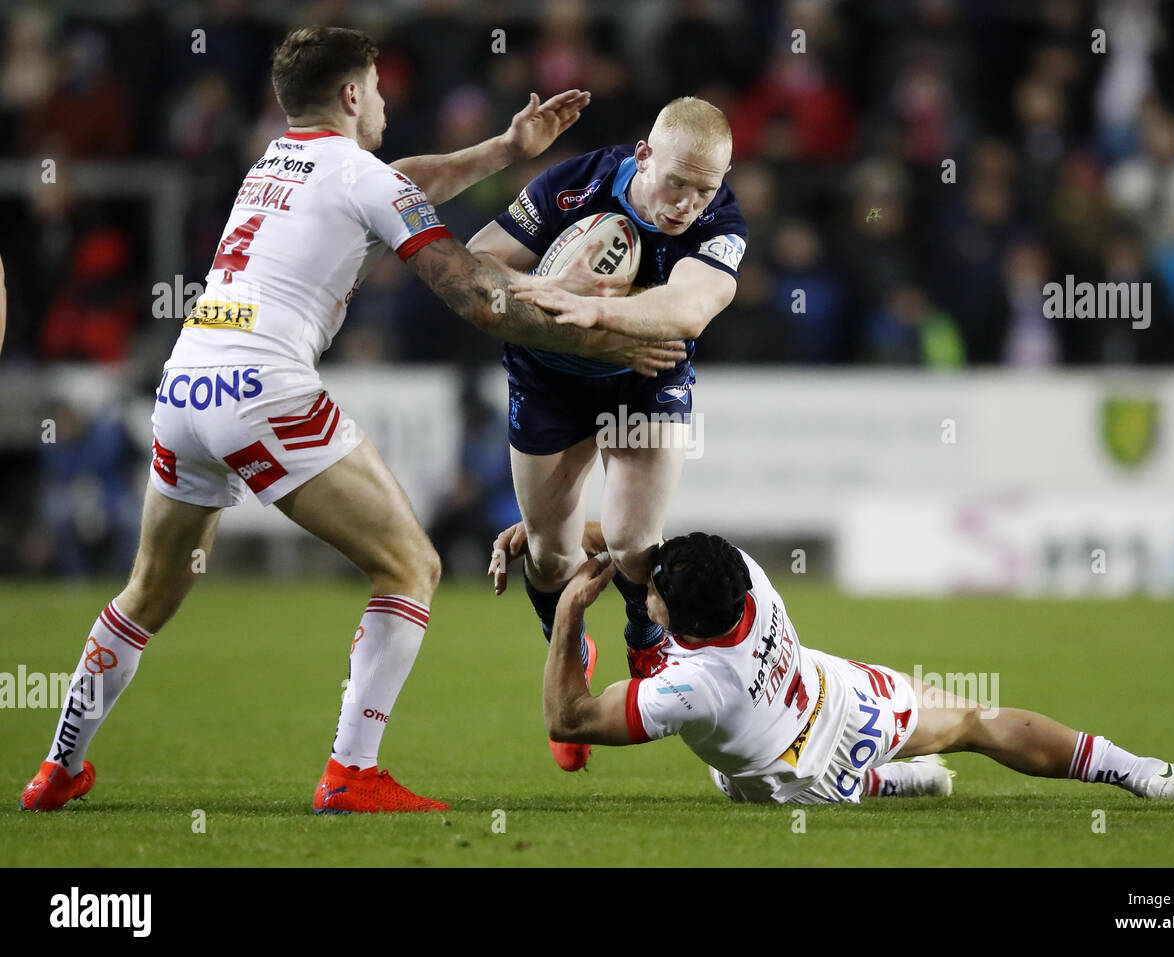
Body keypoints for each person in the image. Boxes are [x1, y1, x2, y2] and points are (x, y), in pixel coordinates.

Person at [20, 26, 685, 815]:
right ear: (348, 95)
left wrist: (505, 150)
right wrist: (600, 327)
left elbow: (397, 182)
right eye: (374, 87)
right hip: (264, 387)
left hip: (185, 385)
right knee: (412, 567)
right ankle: (351, 772)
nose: (383, 99)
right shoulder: (361, 178)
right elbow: (476, 294)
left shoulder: (274, 163)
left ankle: (58, 766)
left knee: (147, 593)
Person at [490, 521, 1174, 805]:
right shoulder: (741, 569)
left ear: (680, 620)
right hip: (836, 694)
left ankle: (876, 782)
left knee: (733, 774)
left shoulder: (689, 687)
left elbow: (568, 716)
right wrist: (554, 529)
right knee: (977, 718)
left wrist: (566, 617)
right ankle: (1139, 771)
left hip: (785, 776)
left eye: (653, 592)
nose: (645, 584)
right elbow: (637, 546)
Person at [467, 96, 748, 772]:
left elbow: (690, 307)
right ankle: (568, 649)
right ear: (643, 154)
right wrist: (546, 294)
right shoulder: (576, 182)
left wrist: (593, 313)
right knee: (552, 557)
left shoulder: (722, 223)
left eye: (702, 189)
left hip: (644, 376)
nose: (685, 202)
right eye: (675, 182)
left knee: (631, 540)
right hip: (548, 380)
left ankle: (645, 633)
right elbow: (476, 264)